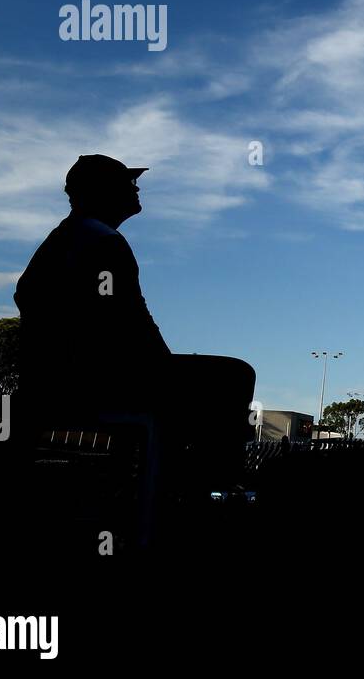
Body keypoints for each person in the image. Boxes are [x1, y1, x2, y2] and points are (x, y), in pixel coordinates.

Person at [13, 154, 255, 497]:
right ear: (103, 191)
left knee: (190, 388)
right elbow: (132, 324)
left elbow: (30, 299)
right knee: (234, 375)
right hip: (95, 383)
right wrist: (163, 367)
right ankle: (200, 488)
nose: (135, 187)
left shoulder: (63, 239)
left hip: (54, 381)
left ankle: (169, 479)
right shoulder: (104, 242)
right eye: (127, 182)